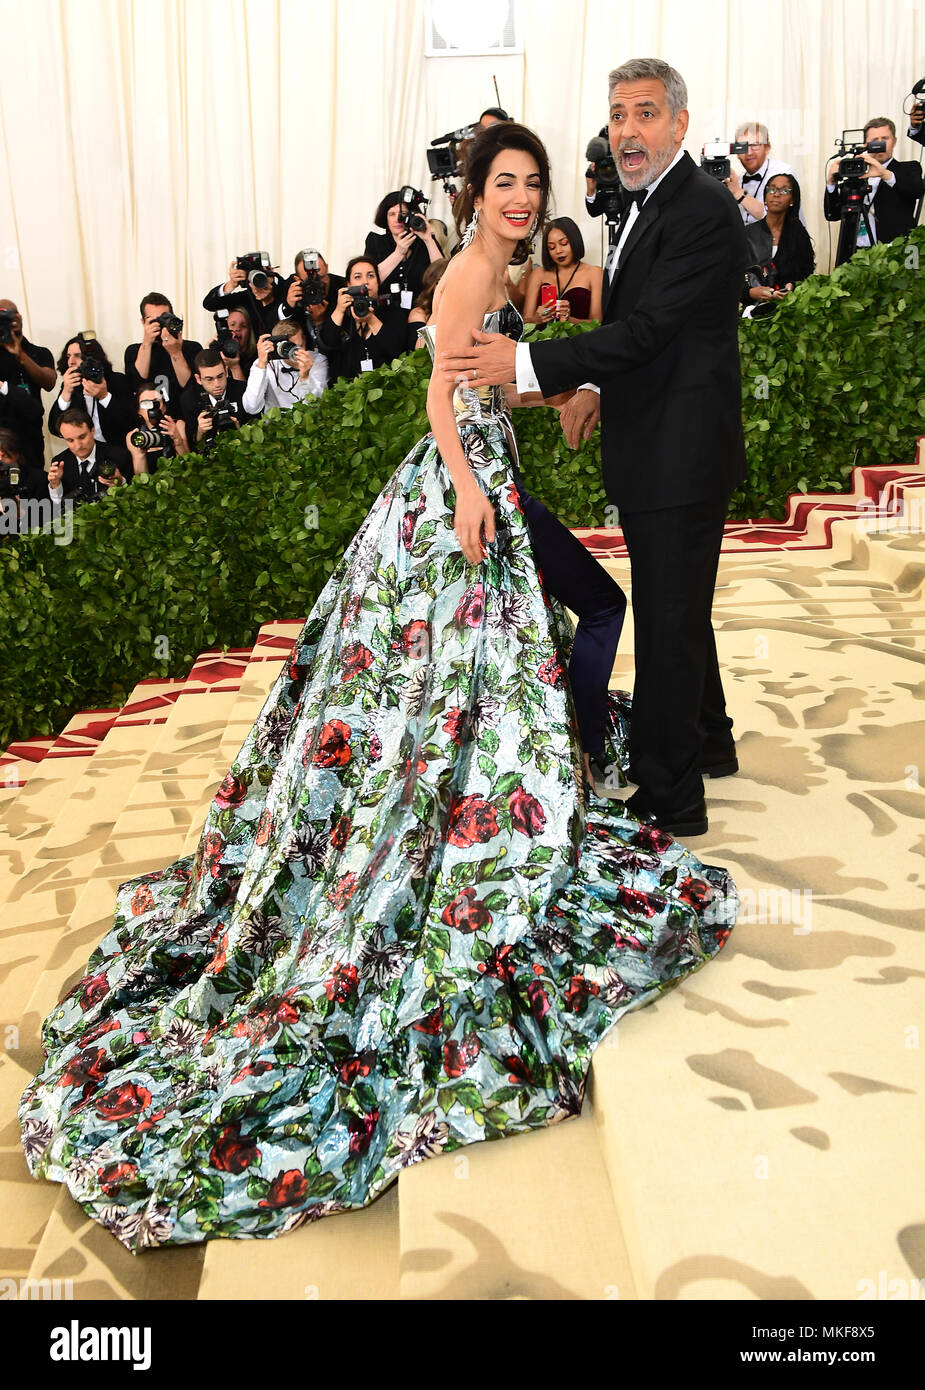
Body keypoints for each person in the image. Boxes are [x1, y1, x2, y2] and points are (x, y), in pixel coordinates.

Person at [17, 118, 737, 1252]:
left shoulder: (506, 270)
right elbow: (440, 398)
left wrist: (560, 400)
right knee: (452, 676)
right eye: (505, 183)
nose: (521, 198)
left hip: (488, 478)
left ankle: (528, 778)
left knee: (520, 652)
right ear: (475, 191)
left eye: (534, 184)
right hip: (456, 494)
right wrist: (461, 483)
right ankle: (467, 805)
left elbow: (489, 381)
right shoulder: (464, 269)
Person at [442, 59, 748, 837]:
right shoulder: (645, 203)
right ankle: (708, 739)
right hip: (659, 444)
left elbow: (647, 332)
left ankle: (669, 796)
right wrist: (592, 390)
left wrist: (525, 364)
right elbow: (642, 333)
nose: (627, 131)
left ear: (680, 122)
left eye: (644, 113)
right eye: (617, 114)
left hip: (678, 455)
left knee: (668, 617)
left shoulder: (700, 209)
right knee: (677, 609)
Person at [824, 117, 924, 251]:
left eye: (885, 139)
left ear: (894, 141)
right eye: (874, 141)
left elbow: (916, 190)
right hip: (856, 253)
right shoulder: (855, 173)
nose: (879, 144)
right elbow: (833, 215)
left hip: (896, 251)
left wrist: (884, 173)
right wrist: (831, 184)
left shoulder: (909, 168)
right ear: (865, 145)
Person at [317, 258, 408, 383]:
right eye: (358, 277)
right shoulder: (340, 310)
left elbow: (396, 349)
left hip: (386, 388)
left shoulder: (391, 310)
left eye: (371, 276)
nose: (365, 282)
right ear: (348, 284)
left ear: (378, 282)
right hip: (346, 392)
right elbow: (326, 346)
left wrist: (371, 319)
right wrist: (339, 310)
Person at [742, 174, 815, 315]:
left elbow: (807, 273)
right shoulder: (748, 233)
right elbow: (732, 274)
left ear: (792, 199)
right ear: (765, 197)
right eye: (772, 189)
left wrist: (792, 286)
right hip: (753, 311)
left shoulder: (798, 233)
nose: (776, 194)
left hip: (789, 309)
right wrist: (750, 292)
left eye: (784, 191)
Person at [364, 191, 445, 312]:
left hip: (420, 310)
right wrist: (398, 253)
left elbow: (443, 276)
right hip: (384, 311)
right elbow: (370, 281)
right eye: (392, 214)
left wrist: (428, 239)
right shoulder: (375, 241)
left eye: (403, 214)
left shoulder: (423, 242)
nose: (398, 219)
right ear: (385, 218)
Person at [124, 295, 203, 415]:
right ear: (143, 322)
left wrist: (176, 352)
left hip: (183, 416)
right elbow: (137, 384)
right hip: (149, 418)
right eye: (153, 321)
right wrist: (147, 343)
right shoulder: (133, 351)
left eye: (163, 318)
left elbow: (190, 387)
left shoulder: (192, 348)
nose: (159, 325)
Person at [49, 335, 134, 443]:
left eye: (77, 355)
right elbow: (54, 429)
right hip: (85, 451)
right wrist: (65, 393)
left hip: (117, 449)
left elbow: (130, 422)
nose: (71, 362)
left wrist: (104, 397)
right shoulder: (71, 386)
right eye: (68, 356)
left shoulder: (117, 380)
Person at [0, 299, 55, 463]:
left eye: (13, 313)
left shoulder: (39, 353)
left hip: (30, 434)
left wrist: (21, 356)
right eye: (4, 317)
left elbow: (49, 382)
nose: (11, 319)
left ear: (20, 317)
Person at [523, 218, 603, 324]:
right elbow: (525, 321)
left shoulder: (594, 273)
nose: (558, 251)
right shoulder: (538, 274)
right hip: (543, 340)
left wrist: (569, 320)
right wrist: (536, 319)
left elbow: (597, 322)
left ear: (574, 241)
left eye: (564, 243)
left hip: (579, 340)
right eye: (551, 247)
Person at [242, 321, 328, 415]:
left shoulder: (317, 360)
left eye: (300, 346)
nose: (295, 353)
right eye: (290, 348)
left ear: (304, 340)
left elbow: (318, 406)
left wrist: (305, 378)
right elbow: (251, 408)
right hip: (275, 425)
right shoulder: (266, 363)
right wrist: (261, 367)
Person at [725, 122, 802, 226]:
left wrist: (739, 193)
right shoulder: (738, 179)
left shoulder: (783, 173)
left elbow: (776, 217)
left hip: (783, 240)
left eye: (755, 145)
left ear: (767, 148)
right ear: (736, 153)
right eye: (742, 147)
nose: (749, 152)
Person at [47, 407, 132, 503]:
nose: (78, 445)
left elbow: (133, 496)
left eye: (82, 437)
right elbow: (58, 504)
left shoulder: (118, 455)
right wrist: (55, 485)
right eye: (70, 440)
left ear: (92, 431)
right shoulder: (59, 462)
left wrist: (121, 483)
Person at [180, 349, 252, 450]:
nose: (217, 384)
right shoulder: (190, 399)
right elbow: (192, 447)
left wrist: (240, 430)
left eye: (220, 376)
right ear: (198, 379)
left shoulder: (243, 391)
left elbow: (255, 438)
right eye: (209, 379)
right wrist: (200, 431)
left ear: (226, 371)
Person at [203, 256, 287, 339]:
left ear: (271, 270)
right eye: (252, 274)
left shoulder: (288, 289)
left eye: (260, 272)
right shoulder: (247, 297)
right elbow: (209, 304)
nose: (257, 277)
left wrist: (268, 301)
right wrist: (231, 284)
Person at [124, 383, 190, 477]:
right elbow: (141, 480)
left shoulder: (178, 426)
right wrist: (140, 455)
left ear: (164, 407)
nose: (151, 408)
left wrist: (178, 442)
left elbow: (189, 467)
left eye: (156, 402)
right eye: (146, 403)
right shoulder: (135, 436)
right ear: (138, 410)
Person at [407, 258, 449, 349]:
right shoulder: (418, 313)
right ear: (432, 284)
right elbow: (419, 351)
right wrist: (436, 311)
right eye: (440, 282)